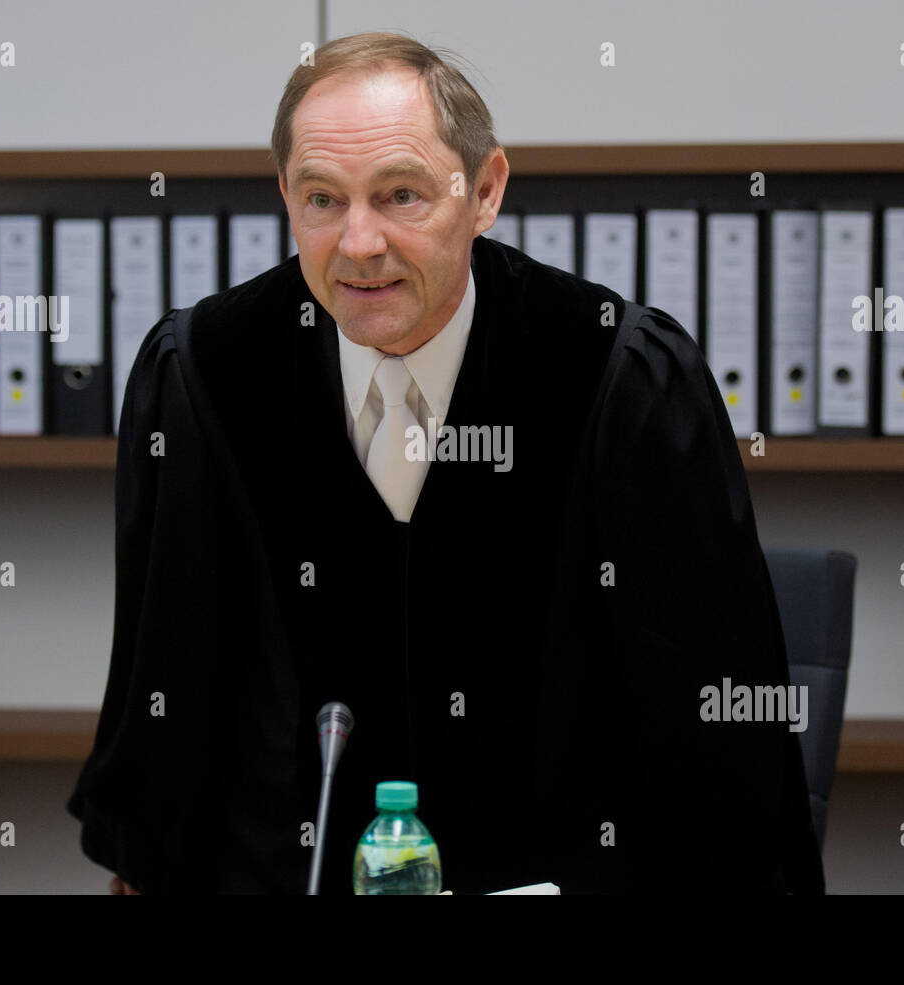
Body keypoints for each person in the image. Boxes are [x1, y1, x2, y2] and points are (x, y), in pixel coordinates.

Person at [67, 31, 824, 895]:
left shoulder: (615, 376)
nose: (358, 243)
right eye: (322, 199)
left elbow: (720, 759)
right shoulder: (206, 372)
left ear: (486, 189)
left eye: (400, 195)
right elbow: (165, 719)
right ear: (284, 196)